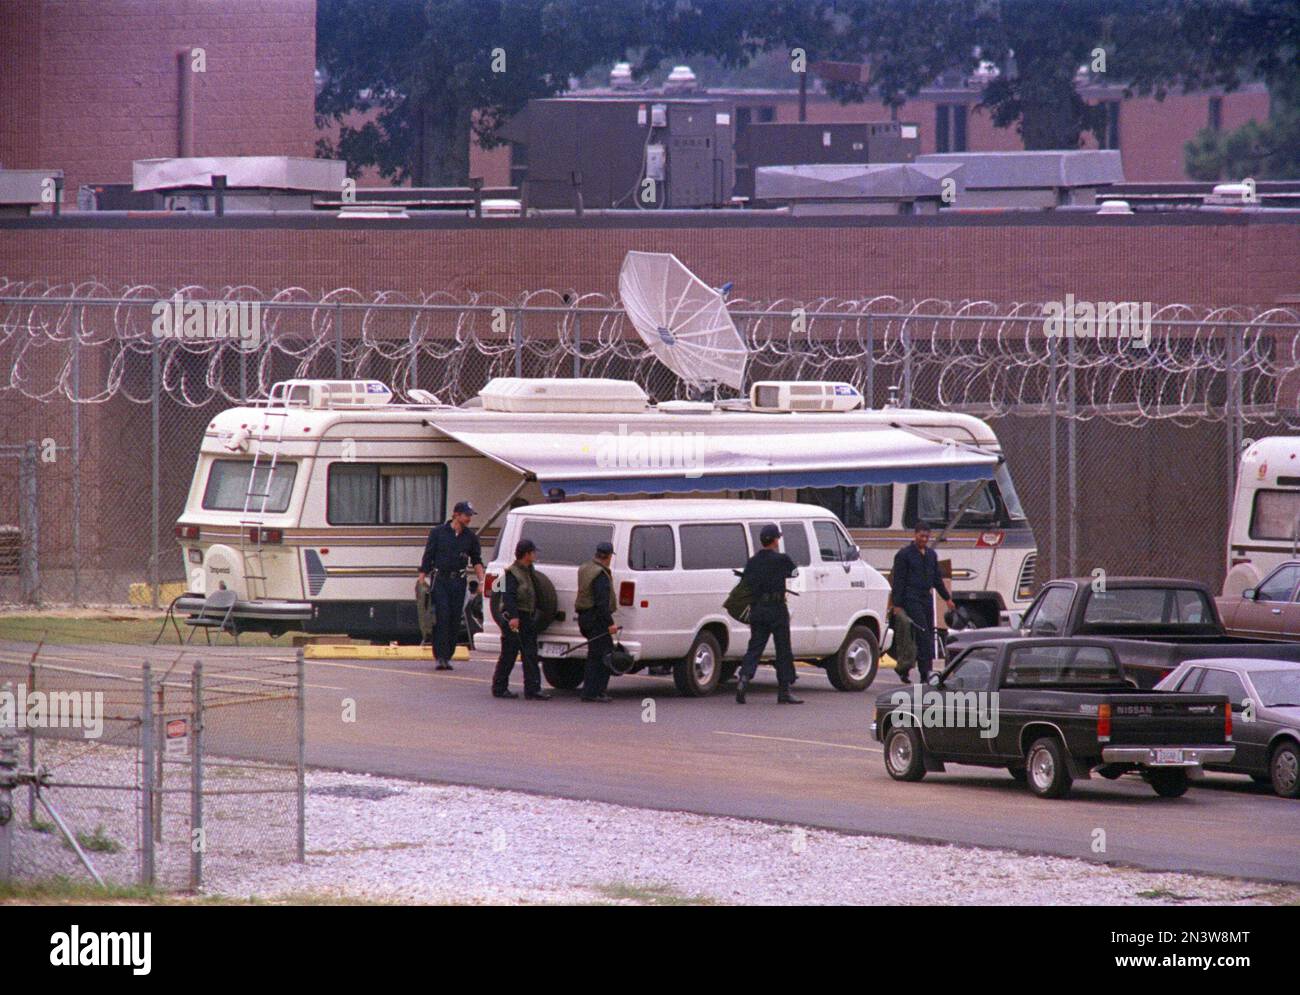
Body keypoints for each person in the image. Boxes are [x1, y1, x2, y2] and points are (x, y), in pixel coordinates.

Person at [735, 524, 802, 705]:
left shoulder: (752, 561)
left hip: (757, 609)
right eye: (777, 538)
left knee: (755, 648)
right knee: (783, 650)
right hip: (777, 608)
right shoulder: (782, 559)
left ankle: (743, 680)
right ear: (774, 540)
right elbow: (795, 572)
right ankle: (784, 691)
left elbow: (746, 583)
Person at [418, 500, 485, 671]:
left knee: (455, 618)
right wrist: (422, 577)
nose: (469, 518)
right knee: (442, 616)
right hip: (440, 580)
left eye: (470, 515)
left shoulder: (470, 537)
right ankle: (440, 656)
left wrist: (482, 581)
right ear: (456, 514)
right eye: (466, 515)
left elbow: (476, 560)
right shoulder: (438, 533)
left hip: (459, 581)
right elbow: (428, 555)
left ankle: (448, 655)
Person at [890, 522, 956, 684]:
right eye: (921, 536)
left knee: (927, 635)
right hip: (910, 598)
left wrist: (947, 598)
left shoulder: (931, 555)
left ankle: (921, 672)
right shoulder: (904, 555)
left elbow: (937, 580)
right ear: (915, 535)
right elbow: (898, 581)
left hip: (926, 598)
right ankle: (917, 671)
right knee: (920, 635)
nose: (924, 539)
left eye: (927, 537)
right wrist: (897, 605)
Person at [491, 539, 550, 700]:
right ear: (527, 554)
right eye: (533, 552)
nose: (535, 555)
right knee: (509, 654)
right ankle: (499, 687)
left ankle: (532, 689)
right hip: (515, 618)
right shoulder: (512, 573)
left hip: (527, 617)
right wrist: (514, 617)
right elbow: (508, 596)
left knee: (530, 654)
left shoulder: (528, 571)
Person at [576, 540, 618, 703]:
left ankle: (590, 691)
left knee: (594, 654)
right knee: (603, 656)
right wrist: (610, 623)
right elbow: (602, 603)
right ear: (608, 557)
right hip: (596, 619)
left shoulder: (586, 568)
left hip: (584, 617)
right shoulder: (600, 575)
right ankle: (595, 691)